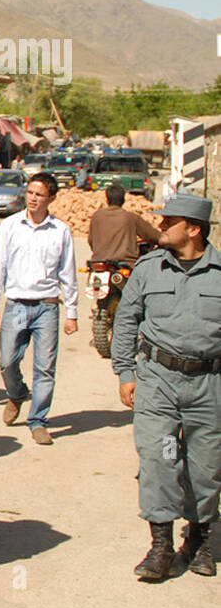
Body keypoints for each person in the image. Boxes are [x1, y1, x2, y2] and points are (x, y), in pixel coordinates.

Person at [111, 192, 220, 580]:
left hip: (210, 383)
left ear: (192, 229)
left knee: (206, 468)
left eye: (168, 221)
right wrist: (125, 373)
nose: (159, 226)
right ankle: (161, 547)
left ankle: (201, 539)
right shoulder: (149, 268)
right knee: (159, 461)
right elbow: (126, 320)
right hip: (158, 382)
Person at [0, 172, 79, 446]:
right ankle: (16, 393)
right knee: (7, 361)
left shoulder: (60, 231)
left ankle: (38, 420)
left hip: (47, 307)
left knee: (46, 368)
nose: (33, 198)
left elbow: (68, 273)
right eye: (30, 193)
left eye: (39, 194)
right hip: (15, 305)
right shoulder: (10, 226)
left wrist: (72, 313)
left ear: (51, 198)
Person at [89, 184, 161, 263]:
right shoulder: (131, 217)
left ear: (107, 200)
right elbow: (151, 235)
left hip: (98, 261)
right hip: (125, 262)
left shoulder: (97, 216)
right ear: (123, 200)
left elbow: (91, 240)